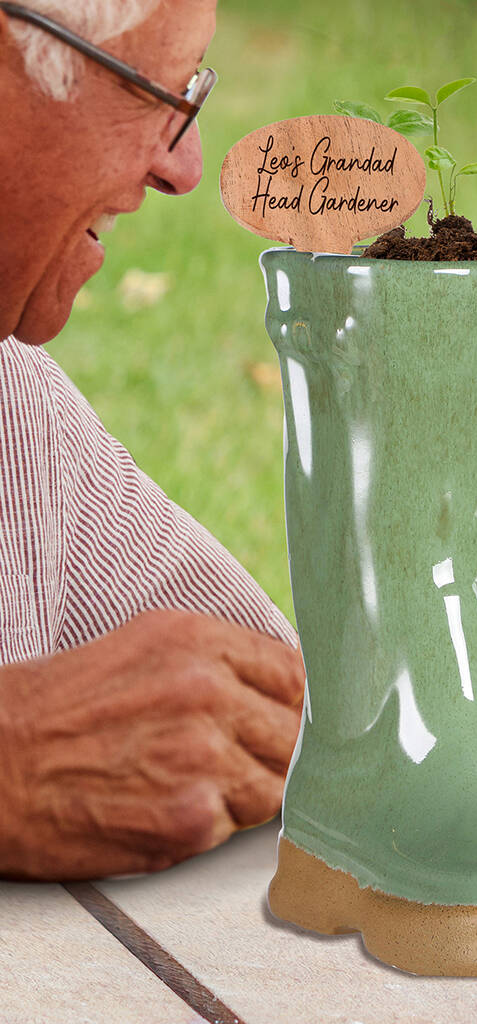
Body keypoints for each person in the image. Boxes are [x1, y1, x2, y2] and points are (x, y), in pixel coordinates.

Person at [0, 0, 306, 881]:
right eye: (156, 93)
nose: (185, 165)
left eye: (193, 93)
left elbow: (285, 730)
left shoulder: (21, 416)